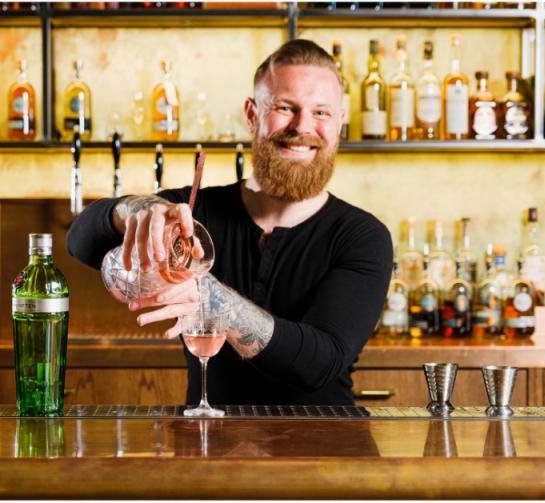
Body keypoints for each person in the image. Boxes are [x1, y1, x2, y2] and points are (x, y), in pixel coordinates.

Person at [67, 39, 393, 406]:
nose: (303, 126)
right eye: (286, 107)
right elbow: (81, 241)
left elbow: (318, 364)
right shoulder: (192, 213)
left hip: (320, 448)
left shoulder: (363, 237)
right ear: (252, 114)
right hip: (207, 445)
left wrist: (208, 296)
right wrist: (135, 211)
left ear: (339, 123)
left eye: (321, 113)